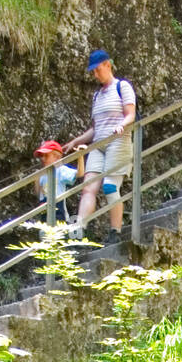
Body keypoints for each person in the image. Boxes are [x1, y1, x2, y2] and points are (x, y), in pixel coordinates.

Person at [62, 50, 137, 246]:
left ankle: (115, 231)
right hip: (99, 144)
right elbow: (95, 129)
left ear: (107, 65)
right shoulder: (97, 96)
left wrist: (122, 124)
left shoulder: (123, 87)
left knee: (110, 186)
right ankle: (79, 231)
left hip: (118, 142)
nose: (95, 75)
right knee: (88, 188)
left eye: (97, 70)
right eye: (93, 72)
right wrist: (76, 141)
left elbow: (131, 114)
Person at [33, 140, 82, 224]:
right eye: (41, 156)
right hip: (44, 207)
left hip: (58, 208)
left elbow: (79, 174)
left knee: (58, 231)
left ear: (57, 157)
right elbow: (39, 194)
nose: (42, 158)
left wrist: (80, 156)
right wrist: (36, 181)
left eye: (46, 155)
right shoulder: (41, 174)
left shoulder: (60, 170)